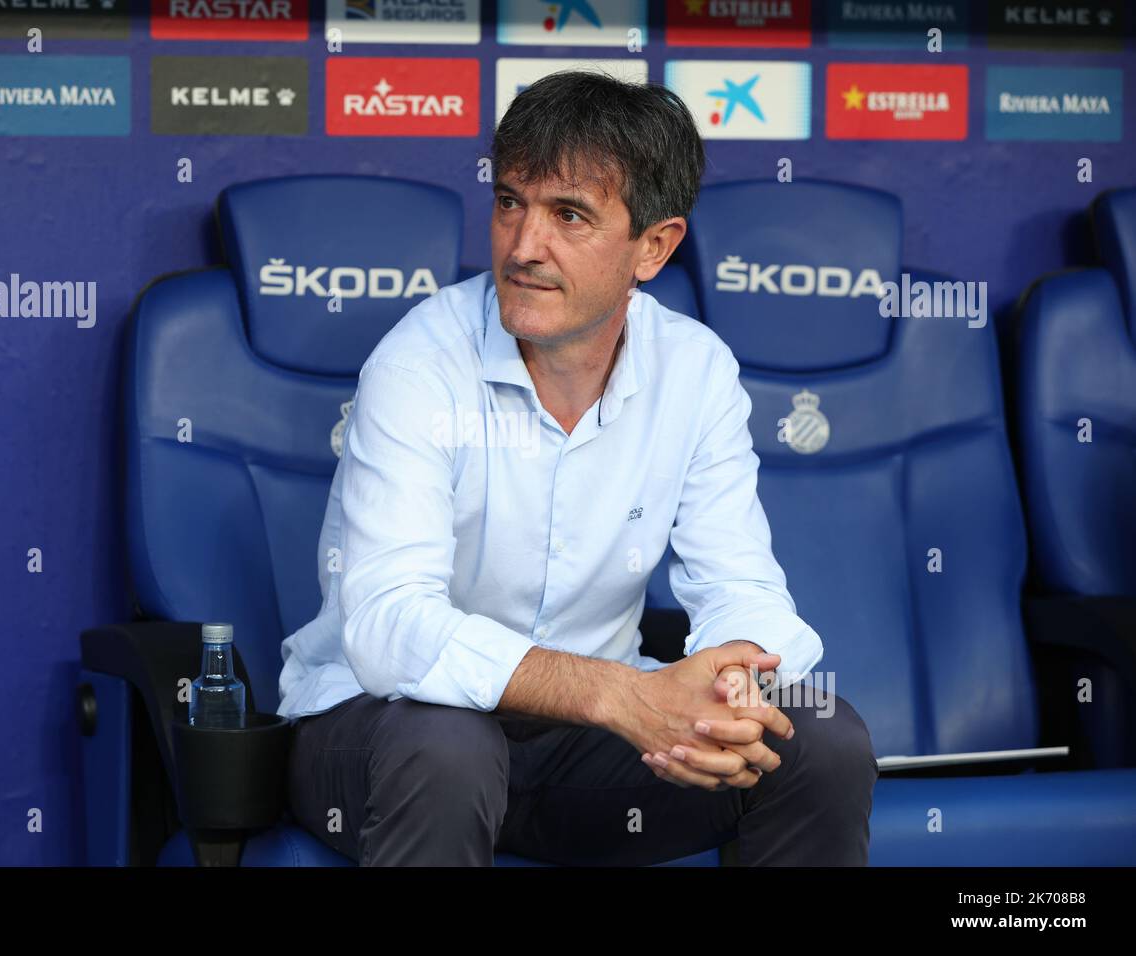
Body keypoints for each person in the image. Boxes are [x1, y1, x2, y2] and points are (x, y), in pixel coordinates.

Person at [276, 69, 878, 866]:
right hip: (382, 736)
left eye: (569, 215)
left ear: (654, 248)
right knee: (450, 747)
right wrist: (619, 694)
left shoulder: (695, 371)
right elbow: (389, 629)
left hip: (584, 752)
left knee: (821, 737)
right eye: (510, 203)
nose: (525, 247)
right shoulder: (418, 362)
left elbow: (741, 587)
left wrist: (733, 688)